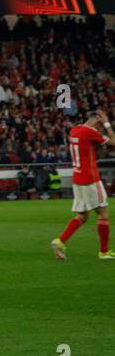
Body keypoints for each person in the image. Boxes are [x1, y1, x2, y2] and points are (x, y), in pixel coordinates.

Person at [51, 109, 114, 260]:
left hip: (77, 179)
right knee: (103, 213)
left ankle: (60, 241)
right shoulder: (90, 132)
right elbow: (113, 142)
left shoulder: (75, 130)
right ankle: (104, 252)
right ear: (97, 121)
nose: (100, 129)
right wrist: (107, 123)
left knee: (83, 215)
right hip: (91, 179)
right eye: (99, 125)